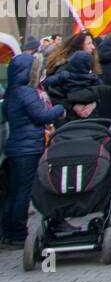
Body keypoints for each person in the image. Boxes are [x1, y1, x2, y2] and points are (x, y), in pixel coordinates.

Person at [0, 53, 64, 250]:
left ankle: (8, 234)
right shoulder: (27, 92)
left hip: (15, 147)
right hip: (28, 148)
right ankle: (19, 235)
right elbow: (41, 115)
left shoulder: (11, 92)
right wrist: (60, 107)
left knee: (13, 192)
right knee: (23, 193)